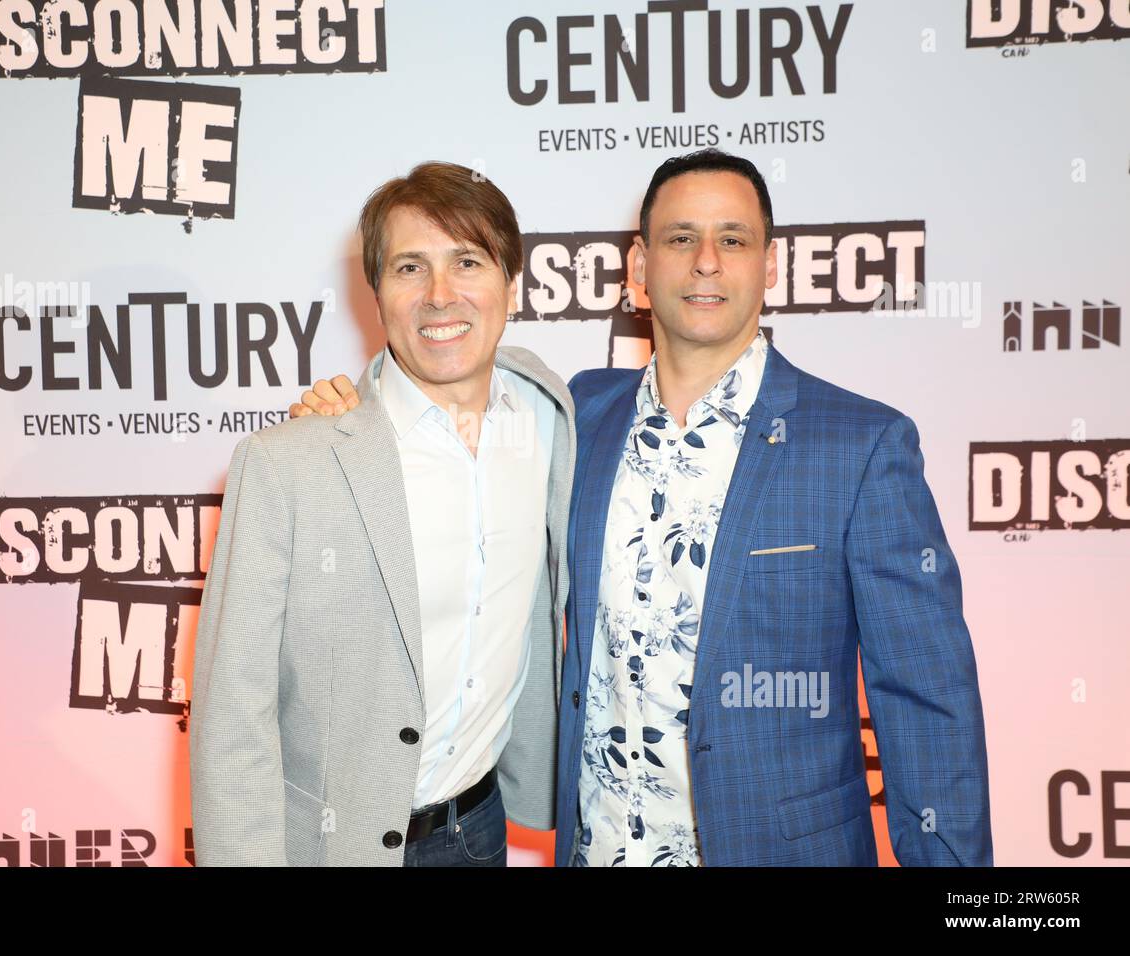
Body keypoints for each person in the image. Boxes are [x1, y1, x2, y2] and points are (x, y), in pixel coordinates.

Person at [293, 149, 992, 867]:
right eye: (681, 238)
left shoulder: (859, 445)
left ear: (771, 265)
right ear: (639, 265)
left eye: (734, 239)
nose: (706, 262)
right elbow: (443, 397)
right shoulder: (577, 417)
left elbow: (928, 700)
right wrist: (348, 414)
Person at [190, 161, 576, 866]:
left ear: (511, 283)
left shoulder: (549, 420)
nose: (439, 295)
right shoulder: (292, 463)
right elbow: (230, 722)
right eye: (409, 268)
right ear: (376, 293)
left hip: (482, 833)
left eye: (468, 261)